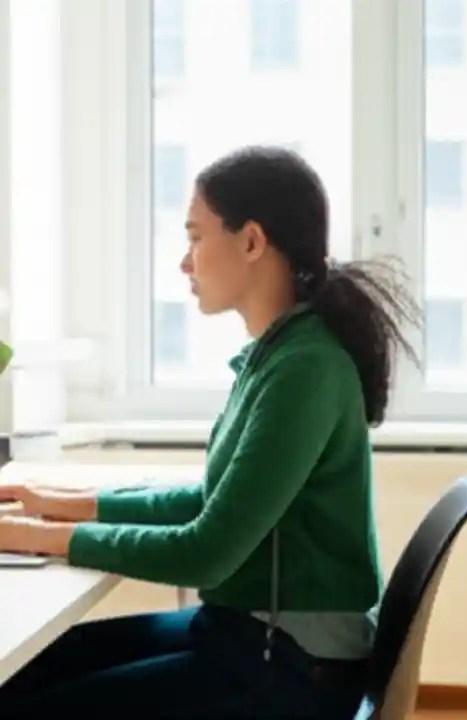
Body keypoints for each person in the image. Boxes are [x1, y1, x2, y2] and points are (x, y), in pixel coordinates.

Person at [0, 146, 419, 718]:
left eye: (196, 238)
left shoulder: (305, 368)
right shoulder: (279, 355)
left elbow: (206, 553)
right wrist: (59, 506)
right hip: (250, 634)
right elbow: (210, 504)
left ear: (251, 242)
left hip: (292, 666)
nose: (184, 262)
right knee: (26, 674)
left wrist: (33, 538)